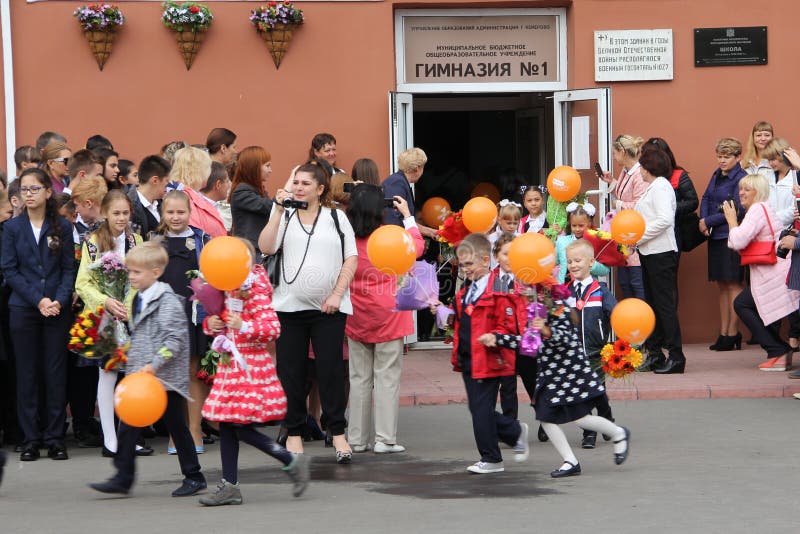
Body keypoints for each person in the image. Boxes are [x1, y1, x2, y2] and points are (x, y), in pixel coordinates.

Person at [481, 272, 630, 479]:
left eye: (524, 285)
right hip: (551, 374)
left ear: (538, 287)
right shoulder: (534, 309)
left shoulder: (556, 306)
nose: (519, 289)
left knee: (578, 418)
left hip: (570, 372)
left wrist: (546, 330)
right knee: (550, 416)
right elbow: (529, 345)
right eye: (519, 285)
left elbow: (566, 337)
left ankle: (616, 434)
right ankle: (573, 459)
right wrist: (498, 338)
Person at [89, 241, 206, 496]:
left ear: (155, 272)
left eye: (136, 272)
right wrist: (124, 351)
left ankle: (194, 475)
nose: (131, 276)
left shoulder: (167, 302)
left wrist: (154, 365)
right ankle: (123, 476)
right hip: (140, 378)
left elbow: (174, 340)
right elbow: (142, 335)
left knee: (177, 426)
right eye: (129, 271)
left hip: (164, 379)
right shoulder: (139, 299)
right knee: (128, 425)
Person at [259, 160, 358, 462]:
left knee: (330, 371)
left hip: (329, 308)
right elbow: (265, 246)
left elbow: (351, 258)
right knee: (291, 373)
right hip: (289, 307)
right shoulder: (284, 216)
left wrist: (337, 294)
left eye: (305, 183)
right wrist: (277, 209)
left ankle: (338, 432)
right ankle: (294, 432)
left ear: (320, 189)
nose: (299, 187)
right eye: (296, 182)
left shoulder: (337, 218)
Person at [200, 243, 309, 506]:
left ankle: (289, 460)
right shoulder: (227, 285)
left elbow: (272, 328)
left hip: (249, 367)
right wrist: (211, 324)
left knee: (239, 427)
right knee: (227, 424)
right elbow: (220, 322)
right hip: (230, 365)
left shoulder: (255, 288)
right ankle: (230, 486)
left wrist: (243, 325)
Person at [0, 168, 75, 461]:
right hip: (24, 309)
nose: (28, 194)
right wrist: (38, 300)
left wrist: (57, 299)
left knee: (55, 373)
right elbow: (10, 270)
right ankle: (30, 438)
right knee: (27, 374)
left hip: (57, 308)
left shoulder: (63, 227)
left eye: (34, 189)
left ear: (47, 192)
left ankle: (55, 437)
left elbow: (69, 269)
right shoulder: (12, 228)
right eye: (24, 190)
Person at [344, 184, 424, 453]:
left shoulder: (347, 239)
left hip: (357, 313)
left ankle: (356, 439)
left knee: (359, 379)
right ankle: (384, 439)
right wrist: (409, 217)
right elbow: (417, 248)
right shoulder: (389, 236)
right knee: (387, 378)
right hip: (390, 313)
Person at [444, 233, 528, 474]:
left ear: (484, 260)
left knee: (481, 410)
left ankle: (492, 458)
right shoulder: (465, 290)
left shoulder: (500, 288)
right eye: (462, 265)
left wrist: (496, 336)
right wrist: (444, 314)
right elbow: (463, 320)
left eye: (469, 264)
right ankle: (514, 432)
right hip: (469, 357)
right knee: (479, 409)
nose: (465, 269)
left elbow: (508, 324)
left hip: (489, 358)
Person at [75, 190, 143, 457]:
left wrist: (127, 307)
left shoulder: (136, 240)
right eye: (116, 213)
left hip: (130, 316)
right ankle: (110, 438)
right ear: (105, 213)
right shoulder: (92, 243)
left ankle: (130, 434)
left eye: (126, 213)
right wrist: (106, 302)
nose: (122, 218)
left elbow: (140, 277)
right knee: (108, 374)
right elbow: (83, 283)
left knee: (132, 376)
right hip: (104, 317)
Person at [155, 190, 211, 451]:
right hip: (165, 318)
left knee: (192, 372)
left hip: (193, 314)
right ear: (162, 213)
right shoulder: (154, 242)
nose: (175, 217)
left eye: (181, 212)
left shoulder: (201, 240)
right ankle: (175, 433)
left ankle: (194, 430)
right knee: (169, 374)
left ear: (190, 213)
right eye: (170, 212)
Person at [724, 174, 799, 372]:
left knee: (741, 304)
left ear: (758, 192)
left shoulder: (757, 209)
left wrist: (732, 221)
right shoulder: (764, 207)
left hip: (772, 274)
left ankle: (778, 351)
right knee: (745, 304)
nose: (741, 193)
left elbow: (737, 241)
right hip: (776, 271)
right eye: (741, 188)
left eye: (747, 189)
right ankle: (779, 351)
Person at [635, 148, 685, 374]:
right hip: (650, 252)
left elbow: (665, 220)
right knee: (653, 305)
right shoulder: (653, 187)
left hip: (661, 253)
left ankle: (676, 355)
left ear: (649, 168)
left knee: (664, 306)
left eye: (642, 167)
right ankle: (654, 353)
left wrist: (638, 237)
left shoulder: (661, 187)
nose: (640, 171)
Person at [565, 239, 617, 449]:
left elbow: (617, 315)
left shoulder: (601, 291)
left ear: (591, 263)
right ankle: (589, 433)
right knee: (581, 394)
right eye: (569, 261)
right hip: (573, 353)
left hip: (596, 353)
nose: (573, 265)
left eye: (578, 260)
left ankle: (606, 418)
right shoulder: (565, 291)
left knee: (598, 393)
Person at [699, 138, 747, 351]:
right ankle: (723, 331)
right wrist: (703, 220)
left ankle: (733, 333)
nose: (722, 160)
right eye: (719, 156)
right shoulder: (716, 175)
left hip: (733, 235)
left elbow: (737, 207)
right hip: (716, 236)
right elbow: (707, 197)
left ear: (738, 157)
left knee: (734, 283)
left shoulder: (742, 178)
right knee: (722, 285)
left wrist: (708, 221)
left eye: (727, 156)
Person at [600, 134, 648, 300]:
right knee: (624, 282)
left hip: (634, 235)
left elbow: (639, 204)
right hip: (623, 236)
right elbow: (622, 193)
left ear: (622, 151)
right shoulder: (625, 171)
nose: (614, 156)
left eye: (614, 153)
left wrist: (618, 205)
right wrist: (611, 182)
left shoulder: (639, 174)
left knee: (636, 282)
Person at [643, 138, 700, 253]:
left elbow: (693, 202)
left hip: (673, 230)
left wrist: (668, 208)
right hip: (649, 230)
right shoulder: (646, 176)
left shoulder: (678, 176)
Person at [170, 147, 227, 238]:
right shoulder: (182, 198)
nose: (209, 172)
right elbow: (194, 234)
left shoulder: (190, 195)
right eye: (207, 167)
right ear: (199, 170)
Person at [382, 147, 437, 238]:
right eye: (423, 167)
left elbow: (405, 220)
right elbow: (393, 220)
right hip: (394, 241)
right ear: (417, 169)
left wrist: (431, 232)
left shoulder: (400, 181)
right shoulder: (397, 183)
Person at [229, 146, 273, 257]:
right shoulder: (242, 191)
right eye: (267, 166)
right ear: (254, 168)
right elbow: (268, 206)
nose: (270, 170)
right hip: (248, 251)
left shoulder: (256, 190)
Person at [555, 202, 609, 284]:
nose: (577, 229)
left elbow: (605, 271)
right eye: (574, 225)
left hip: (588, 290)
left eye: (581, 226)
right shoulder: (562, 241)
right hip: (564, 289)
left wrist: (590, 264)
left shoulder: (595, 243)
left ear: (589, 223)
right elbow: (554, 261)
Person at [129, 155, 170, 239]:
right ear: (155, 180)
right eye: (167, 181)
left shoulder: (162, 203)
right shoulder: (129, 206)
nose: (168, 185)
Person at [762, 138, 797, 227]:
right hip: (768, 229)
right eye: (768, 160)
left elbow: (795, 209)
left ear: (783, 156)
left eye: (773, 159)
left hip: (789, 231)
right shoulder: (766, 177)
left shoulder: (796, 177)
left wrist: (772, 219)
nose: (770, 163)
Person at [488, 200, 521, 268]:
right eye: (509, 223)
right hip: (494, 275)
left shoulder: (521, 239)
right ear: (499, 220)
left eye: (515, 223)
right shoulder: (490, 239)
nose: (512, 226)